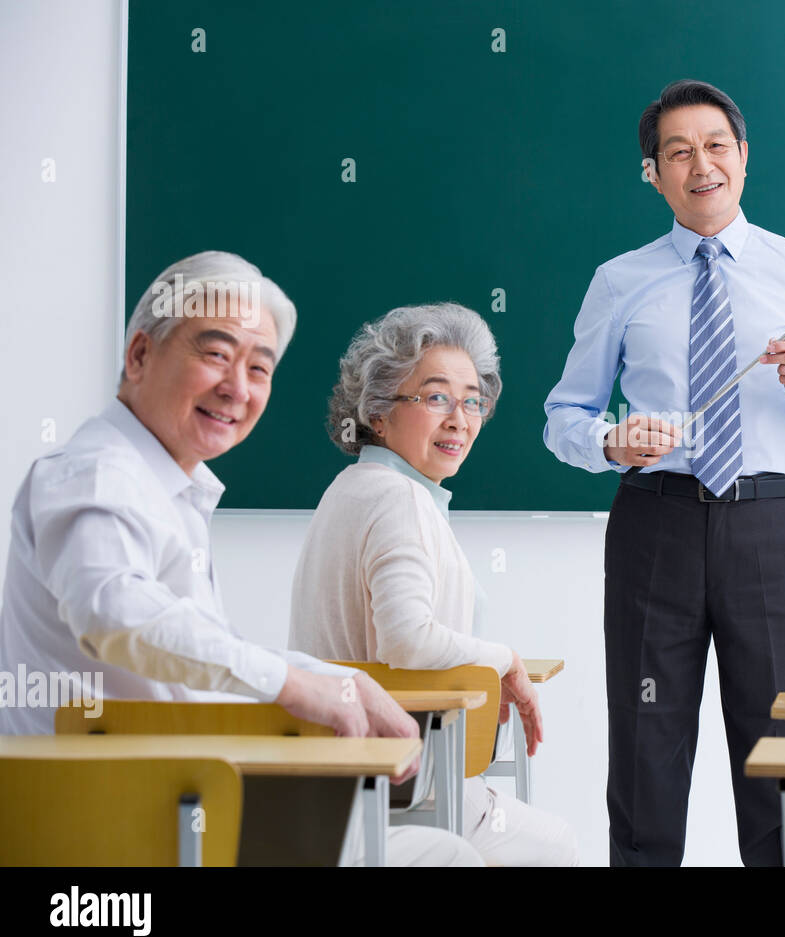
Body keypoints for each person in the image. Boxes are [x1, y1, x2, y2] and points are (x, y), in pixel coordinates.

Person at [0, 251, 481, 866]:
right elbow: (114, 612)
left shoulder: (165, 488)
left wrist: (344, 680)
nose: (238, 386)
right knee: (446, 857)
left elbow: (193, 647)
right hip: (118, 832)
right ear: (140, 355)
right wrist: (292, 683)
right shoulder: (95, 475)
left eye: (259, 366)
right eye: (216, 354)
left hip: (173, 806)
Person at [543, 79, 785, 865]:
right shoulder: (619, 280)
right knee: (644, 748)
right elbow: (564, 416)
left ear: (743, 157)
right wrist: (608, 443)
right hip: (653, 524)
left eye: (716, 146)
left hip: (769, 531)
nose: (702, 164)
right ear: (654, 173)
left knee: (779, 753)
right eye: (678, 152)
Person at [288, 303, 579, 866]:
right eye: (436, 397)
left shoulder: (351, 489)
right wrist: (504, 659)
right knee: (557, 845)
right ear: (377, 411)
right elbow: (407, 639)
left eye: (472, 400)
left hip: (346, 780)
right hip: (400, 782)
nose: (460, 419)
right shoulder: (398, 499)